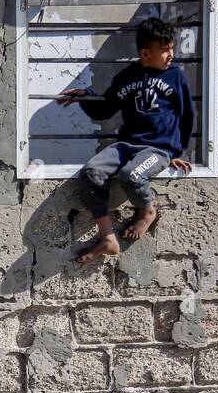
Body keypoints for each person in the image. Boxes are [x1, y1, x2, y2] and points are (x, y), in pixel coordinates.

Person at [58, 16, 195, 262]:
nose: (170, 54)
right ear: (145, 53)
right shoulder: (127, 77)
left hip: (158, 149)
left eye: (171, 48)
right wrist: (84, 97)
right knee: (90, 172)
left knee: (131, 175)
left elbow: (187, 115)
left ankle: (147, 211)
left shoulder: (176, 77)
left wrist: (177, 152)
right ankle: (108, 237)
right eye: (164, 50)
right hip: (127, 145)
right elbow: (106, 108)